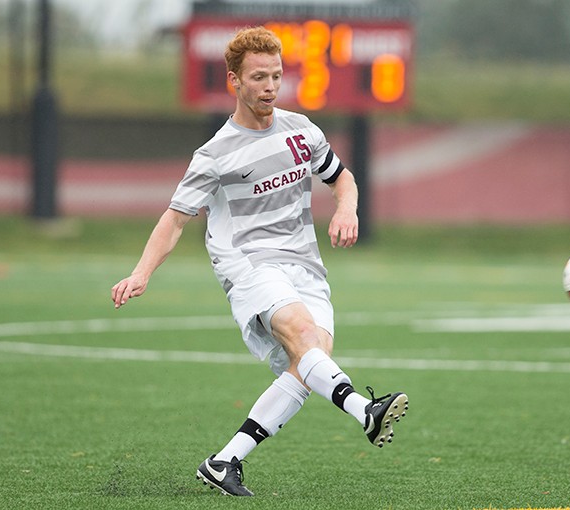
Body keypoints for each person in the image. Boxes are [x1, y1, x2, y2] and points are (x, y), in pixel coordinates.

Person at [110, 26, 408, 497]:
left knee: (310, 363)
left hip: (305, 265)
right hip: (249, 265)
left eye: (276, 76)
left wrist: (347, 209)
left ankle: (224, 461)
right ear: (234, 81)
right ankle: (364, 410)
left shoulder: (302, 130)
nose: (270, 87)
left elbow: (342, 178)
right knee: (305, 338)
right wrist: (141, 272)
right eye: (258, 78)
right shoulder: (214, 155)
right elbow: (175, 219)